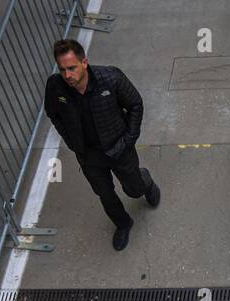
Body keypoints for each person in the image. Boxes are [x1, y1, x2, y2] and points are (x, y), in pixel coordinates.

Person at [43, 39, 160, 251]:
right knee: (105, 193)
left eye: (72, 68)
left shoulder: (111, 78)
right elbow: (53, 113)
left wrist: (129, 139)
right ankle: (123, 223)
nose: (67, 75)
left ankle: (146, 181)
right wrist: (70, 140)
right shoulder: (55, 86)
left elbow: (135, 104)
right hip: (88, 156)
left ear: (84, 62)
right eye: (62, 69)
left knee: (134, 190)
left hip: (119, 149)